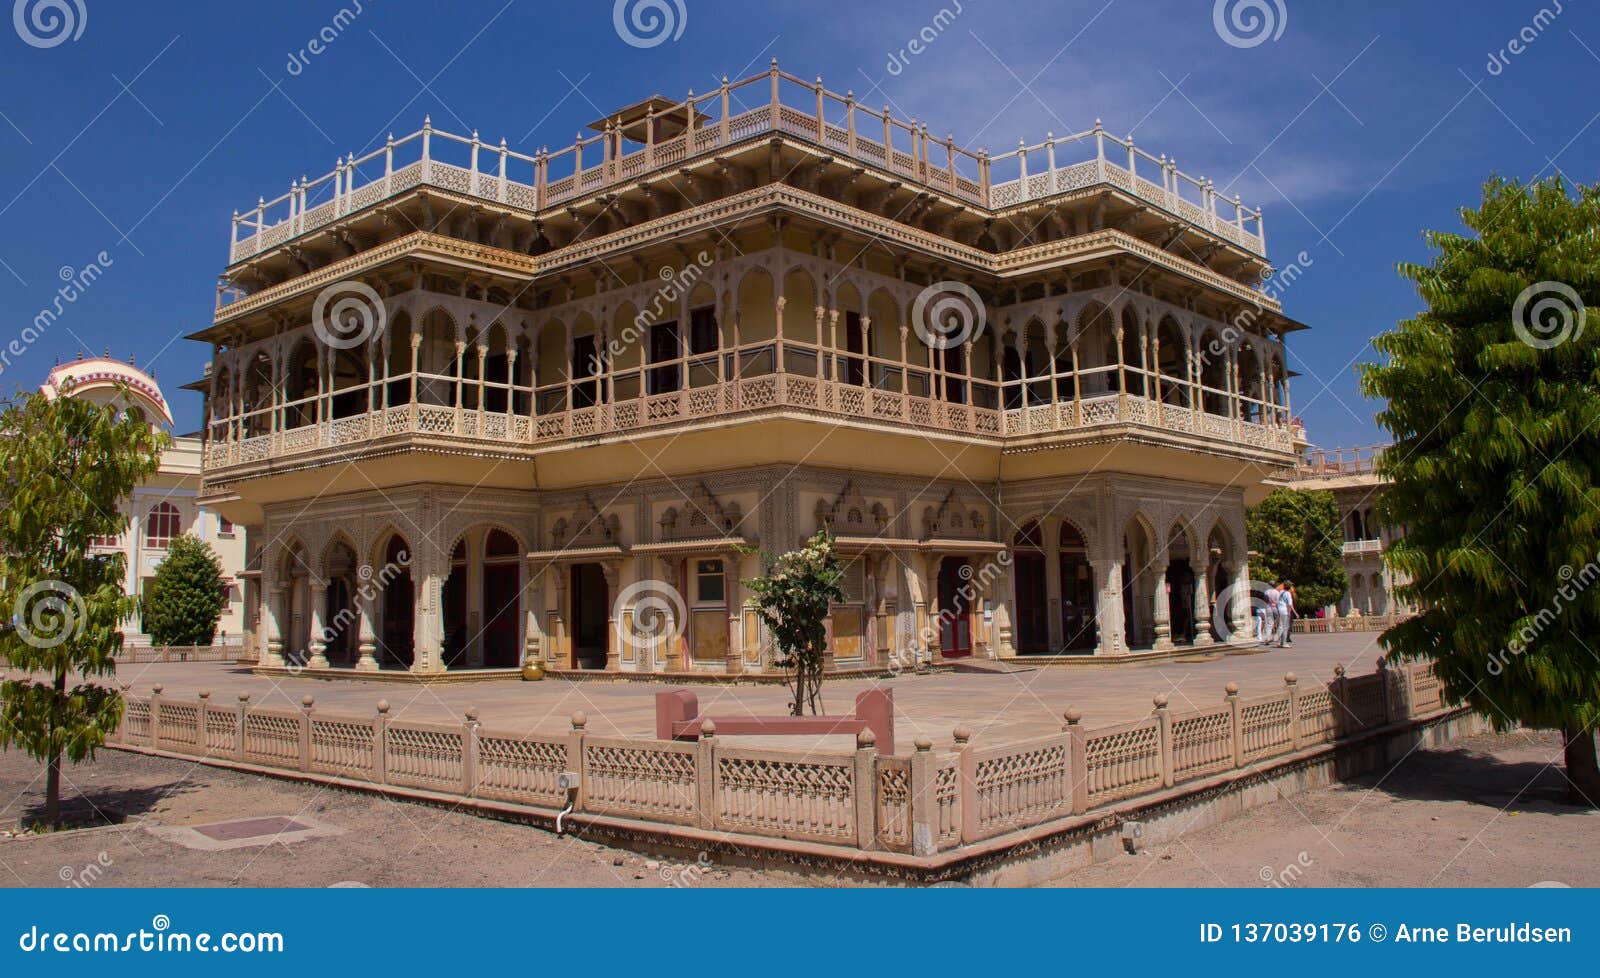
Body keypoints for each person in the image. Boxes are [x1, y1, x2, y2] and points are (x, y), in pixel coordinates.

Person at [1275, 580, 1295, 647]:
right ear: (1289, 586)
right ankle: (1284, 643)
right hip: (1284, 610)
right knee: (1285, 627)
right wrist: (1289, 612)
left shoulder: (1280, 592)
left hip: (1279, 610)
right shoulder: (1288, 593)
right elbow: (1289, 604)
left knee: (1280, 626)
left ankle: (1279, 642)